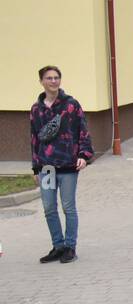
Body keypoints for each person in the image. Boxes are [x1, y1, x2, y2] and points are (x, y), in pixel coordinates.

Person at [30, 66, 93, 263]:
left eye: (57, 77)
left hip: (67, 165)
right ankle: (57, 246)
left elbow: (82, 129)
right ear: (42, 81)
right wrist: (35, 166)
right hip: (46, 168)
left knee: (68, 207)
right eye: (49, 78)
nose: (54, 81)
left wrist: (84, 154)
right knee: (49, 207)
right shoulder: (36, 109)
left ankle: (70, 247)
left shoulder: (71, 105)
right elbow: (34, 138)